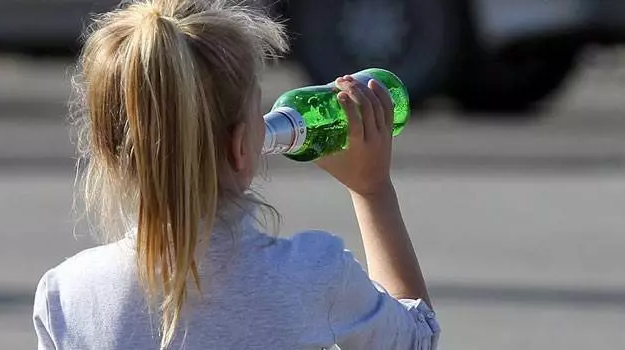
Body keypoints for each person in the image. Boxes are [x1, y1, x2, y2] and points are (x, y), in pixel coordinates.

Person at [32, 0, 439, 348]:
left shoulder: (65, 295)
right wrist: (372, 191)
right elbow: (416, 338)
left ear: (106, 150)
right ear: (242, 147)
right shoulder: (314, 273)